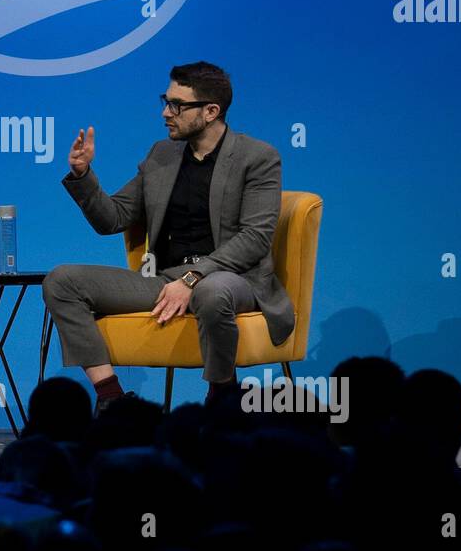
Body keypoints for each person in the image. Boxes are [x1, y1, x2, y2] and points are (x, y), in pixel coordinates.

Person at [42, 61, 295, 416]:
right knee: (62, 281)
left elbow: (254, 238)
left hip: (234, 280)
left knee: (212, 291)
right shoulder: (162, 155)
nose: (166, 112)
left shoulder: (258, 157)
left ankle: (221, 399)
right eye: (166, 100)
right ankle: (110, 396)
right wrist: (83, 175)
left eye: (177, 104)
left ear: (210, 111)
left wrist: (194, 277)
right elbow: (113, 218)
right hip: (165, 280)